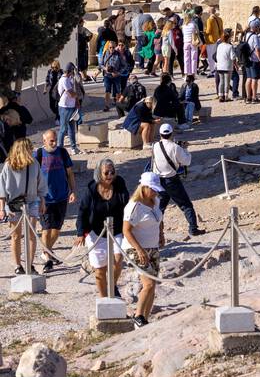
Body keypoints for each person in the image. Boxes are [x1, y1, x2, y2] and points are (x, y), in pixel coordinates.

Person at [75, 159, 128, 296]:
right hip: (96, 233)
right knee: (100, 270)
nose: (110, 175)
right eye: (106, 172)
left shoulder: (120, 184)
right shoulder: (91, 190)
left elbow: (127, 206)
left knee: (118, 259)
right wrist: (80, 232)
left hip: (116, 230)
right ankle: (103, 298)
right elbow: (82, 211)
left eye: (112, 172)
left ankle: (112, 284)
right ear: (99, 173)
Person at [122, 172, 165, 328]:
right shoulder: (134, 206)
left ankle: (144, 319)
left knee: (153, 284)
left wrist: (161, 233)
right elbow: (126, 230)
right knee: (148, 283)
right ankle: (138, 315)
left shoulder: (156, 201)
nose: (155, 192)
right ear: (144, 187)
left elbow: (159, 218)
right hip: (136, 248)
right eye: (152, 189)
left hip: (152, 246)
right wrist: (139, 250)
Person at [0, 137, 47, 273]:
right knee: (16, 235)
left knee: (31, 234)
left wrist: (42, 201)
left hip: (31, 201)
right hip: (14, 203)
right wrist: (1, 208)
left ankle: (30, 264)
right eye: (29, 149)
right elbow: (2, 188)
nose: (32, 151)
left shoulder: (34, 164)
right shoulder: (8, 165)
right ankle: (17, 265)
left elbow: (41, 184)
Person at [34, 129, 76, 272]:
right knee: (46, 229)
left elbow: (70, 173)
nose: (54, 143)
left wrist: (73, 191)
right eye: (51, 140)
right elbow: (33, 177)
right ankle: (47, 257)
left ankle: (47, 252)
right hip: (44, 199)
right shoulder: (38, 155)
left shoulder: (62, 153)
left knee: (56, 229)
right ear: (44, 141)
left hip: (62, 196)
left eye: (55, 140)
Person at [151, 123, 201, 238]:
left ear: (160, 134)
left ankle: (155, 230)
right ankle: (193, 228)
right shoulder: (175, 147)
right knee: (186, 205)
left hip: (158, 181)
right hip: (172, 181)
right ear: (171, 133)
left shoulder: (155, 146)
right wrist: (185, 149)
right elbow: (186, 161)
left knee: (160, 208)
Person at [56, 63, 83, 154]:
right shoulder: (64, 80)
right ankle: (59, 148)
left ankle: (73, 148)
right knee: (63, 129)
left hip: (71, 106)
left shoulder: (68, 79)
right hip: (65, 107)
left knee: (71, 128)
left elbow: (73, 93)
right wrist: (77, 96)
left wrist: (77, 101)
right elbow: (71, 93)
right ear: (70, 71)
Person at [215, 30, 234, 101]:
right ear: (228, 38)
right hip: (227, 66)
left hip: (220, 66)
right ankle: (226, 96)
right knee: (227, 82)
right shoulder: (229, 46)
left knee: (221, 82)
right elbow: (232, 57)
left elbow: (217, 56)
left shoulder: (219, 45)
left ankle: (220, 95)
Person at [204, 6, 223, 77]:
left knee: (211, 56)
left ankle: (213, 71)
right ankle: (217, 69)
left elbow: (208, 31)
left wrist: (204, 32)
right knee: (216, 56)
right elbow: (221, 29)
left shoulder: (209, 20)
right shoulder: (219, 19)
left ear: (209, 12)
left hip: (211, 40)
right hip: (218, 39)